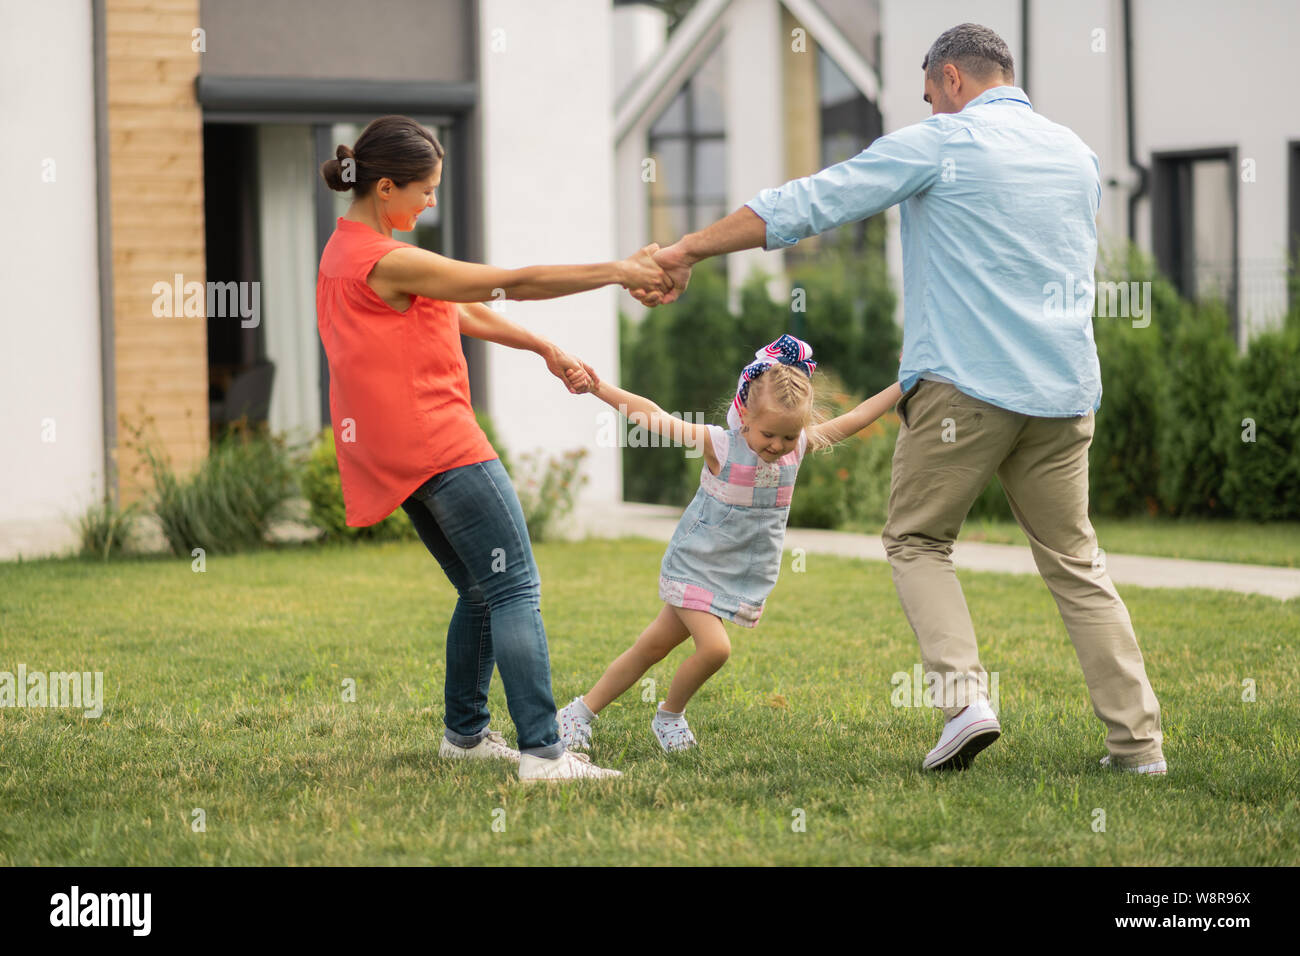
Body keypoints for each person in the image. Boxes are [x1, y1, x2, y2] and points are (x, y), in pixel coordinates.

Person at [633, 24, 1165, 775]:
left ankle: (965, 704)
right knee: (1077, 562)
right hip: (1065, 389)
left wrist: (686, 248)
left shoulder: (943, 144)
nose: (932, 111)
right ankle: (1139, 747)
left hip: (965, 391)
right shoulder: (1075, 155)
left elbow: (808, 203)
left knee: (918, 541)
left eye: (930, 97)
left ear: (950, 78)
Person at [316, 115, 671, 783]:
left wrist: (541, 346)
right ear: (385, 186)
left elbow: (459, 310)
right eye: (424, 190)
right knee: (514, 588)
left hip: (400, 455)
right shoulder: (386, 259)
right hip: (440, 446)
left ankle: (466, 736)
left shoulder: (347, 251)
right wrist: (619, 270)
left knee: (481, 590)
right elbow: (511, 280)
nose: (431, 203)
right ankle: (544, 753)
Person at [554, 334, 902, 752]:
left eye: (788, 438)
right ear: (745, 417)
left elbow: (859, 417)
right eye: (769, 434)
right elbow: (654, 416)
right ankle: (669, 717)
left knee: (650, 648)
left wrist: (906, 380)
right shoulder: (721, 445)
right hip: (695, 565)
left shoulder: (798, 447)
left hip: (732, 574)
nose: (777, 446)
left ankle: (578, 712)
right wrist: (599, 387)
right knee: (716, 649)